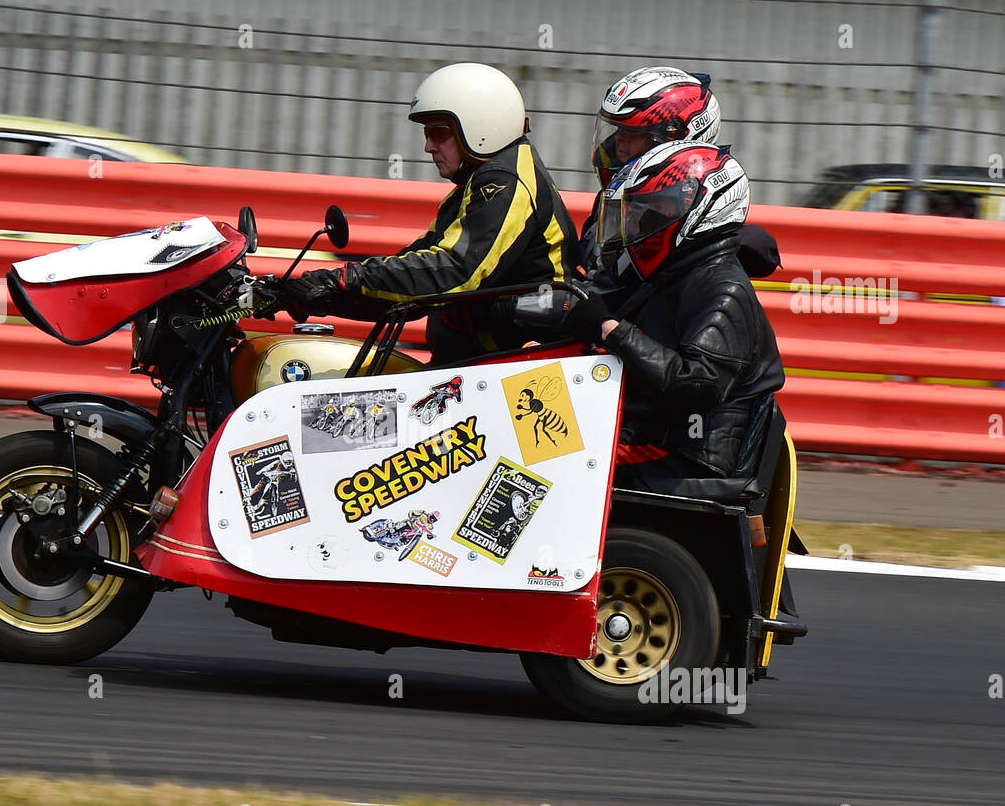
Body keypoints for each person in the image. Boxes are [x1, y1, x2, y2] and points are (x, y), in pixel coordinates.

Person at [282, 62, 580, 364]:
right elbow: (416, 280)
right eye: (427, 134)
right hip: (481, 365)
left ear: (480, 128)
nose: (428, 147)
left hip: (518, 368)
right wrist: (319, 295)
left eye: (438, 134)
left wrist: (346, 278)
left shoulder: (506, 184)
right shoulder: (475, 187)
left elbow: (454, 273)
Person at [562, 142, 785, 490]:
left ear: (704, 208)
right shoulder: (679, 272)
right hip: (652, 429)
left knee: (555, 459)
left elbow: (695, 384)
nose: (638, 223)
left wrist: (610, 329)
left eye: (656, 210)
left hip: (684, 453)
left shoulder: (724, 289)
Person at [584, 66, 780, 295]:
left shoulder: (683, 215)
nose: (619, 143)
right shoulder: (612, 197)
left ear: (675, 137)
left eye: (635, 134)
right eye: (617, 130)